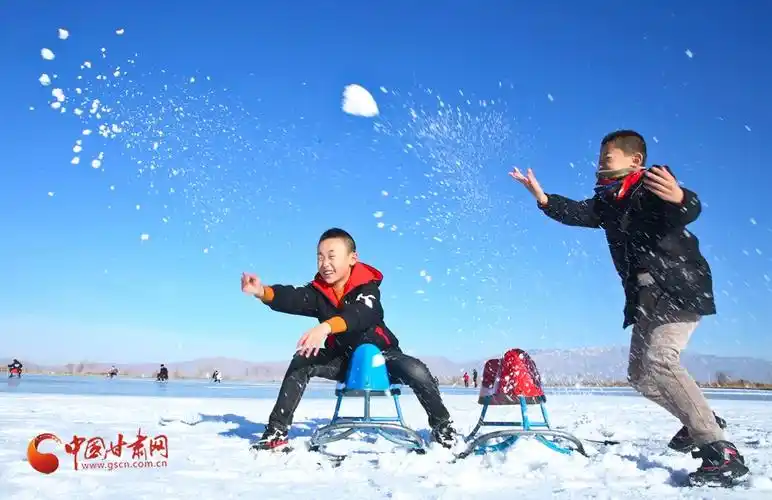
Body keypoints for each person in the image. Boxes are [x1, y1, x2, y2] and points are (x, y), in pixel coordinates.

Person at [510, 129, 748, 486]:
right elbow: (577, 212)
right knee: (639, 375)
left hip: (678, 289)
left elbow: (686, 207)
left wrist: (682, 198)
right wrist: (543, 198)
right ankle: (701, 418)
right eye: (599, 159)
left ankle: (718, 449)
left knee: (660, 361)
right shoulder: (609, 202)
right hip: (644, 298)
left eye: (607, 159)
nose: (599, 165)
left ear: (635, 160)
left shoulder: (650, 185)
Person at [241, 227, 459, 452]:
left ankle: (443, 428)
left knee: (416, 369)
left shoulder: (368, 288)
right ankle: (276, 431)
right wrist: (262, 292)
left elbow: (361, 314)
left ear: (352, 258)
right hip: (344, 362)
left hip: (381, 359)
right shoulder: (319, 293)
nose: (325, 263)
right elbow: (295, 298)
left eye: (332, 256)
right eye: (320, 257)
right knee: (301, 360)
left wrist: (326, 327)